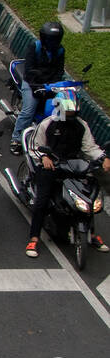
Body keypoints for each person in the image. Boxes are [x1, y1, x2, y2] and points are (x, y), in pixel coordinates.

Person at [23, 96, 110, 257]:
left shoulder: (81, 125)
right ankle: (34, 238)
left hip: (74, 167)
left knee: (89, 197)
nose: (71, 112)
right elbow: (34, 146)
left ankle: (91, 233)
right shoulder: (47, 124)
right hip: (51, 166)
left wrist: (103, 158)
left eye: (73, 109)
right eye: (68, 109)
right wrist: (44, 157)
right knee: (41, 201)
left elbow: (90, 147)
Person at [10, 21, 66, 155]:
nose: (52, 42)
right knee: (28, 111)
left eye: (55, 39)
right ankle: (16, 139)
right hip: (32, 83)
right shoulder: (34, 47)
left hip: (50, 85)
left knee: (61, 110)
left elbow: (59, 71)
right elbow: (29, 71)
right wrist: (38, 84)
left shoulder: (60, 50)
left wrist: (53, 84)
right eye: (50, 39)